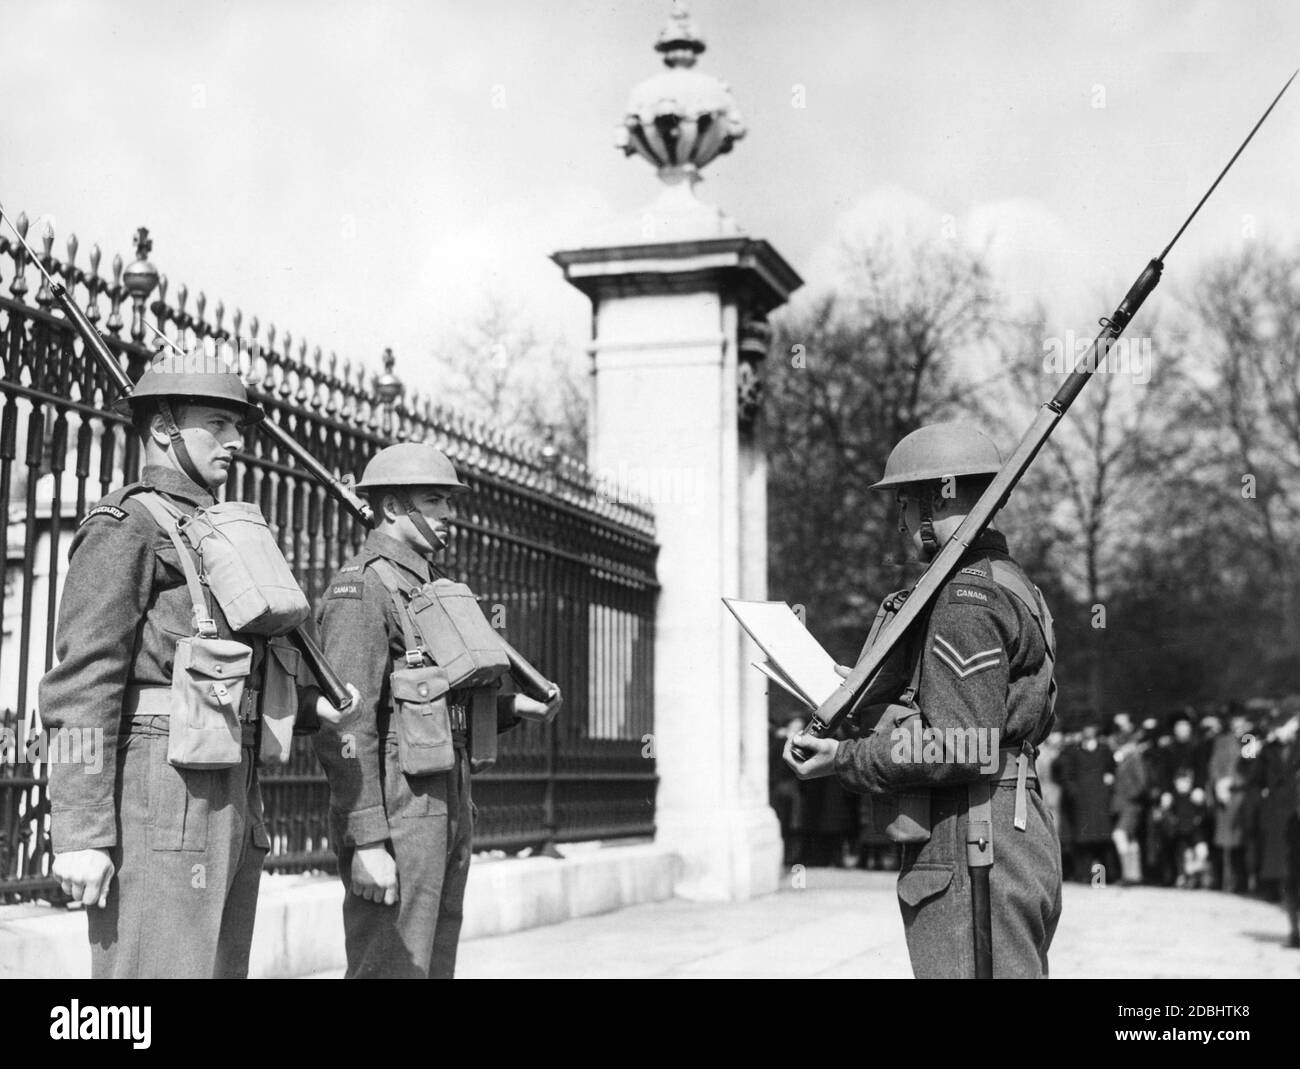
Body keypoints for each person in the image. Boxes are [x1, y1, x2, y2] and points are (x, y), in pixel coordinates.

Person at [39, 350, 353, 978]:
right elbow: (80, 686)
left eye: (238, 426)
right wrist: (78, 831)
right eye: (219, 423)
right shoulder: (125, 524)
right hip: (161, 781)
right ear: (163, 429)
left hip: (230, 779)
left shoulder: (222, 531)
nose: (235, 441)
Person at [783, 422, 1062, 978]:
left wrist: (844, 758)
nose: (905, 523)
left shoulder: (962, 599)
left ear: (941, 497)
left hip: (974, 837)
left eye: (907, 505)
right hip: (1002, 827)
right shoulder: (1008, 582)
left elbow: (966, 745)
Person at [313, 443, 561, 978]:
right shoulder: (363, 590)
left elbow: (438, 701)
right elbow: (345, 726)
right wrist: (367, 840)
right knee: (391, 968)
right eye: (434, 500)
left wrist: (515, 707)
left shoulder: (429, 589)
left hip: (447, 801)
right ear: (392, 509)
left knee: (431, 969)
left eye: (448, 500)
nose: (449, 513)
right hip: (399, 815)